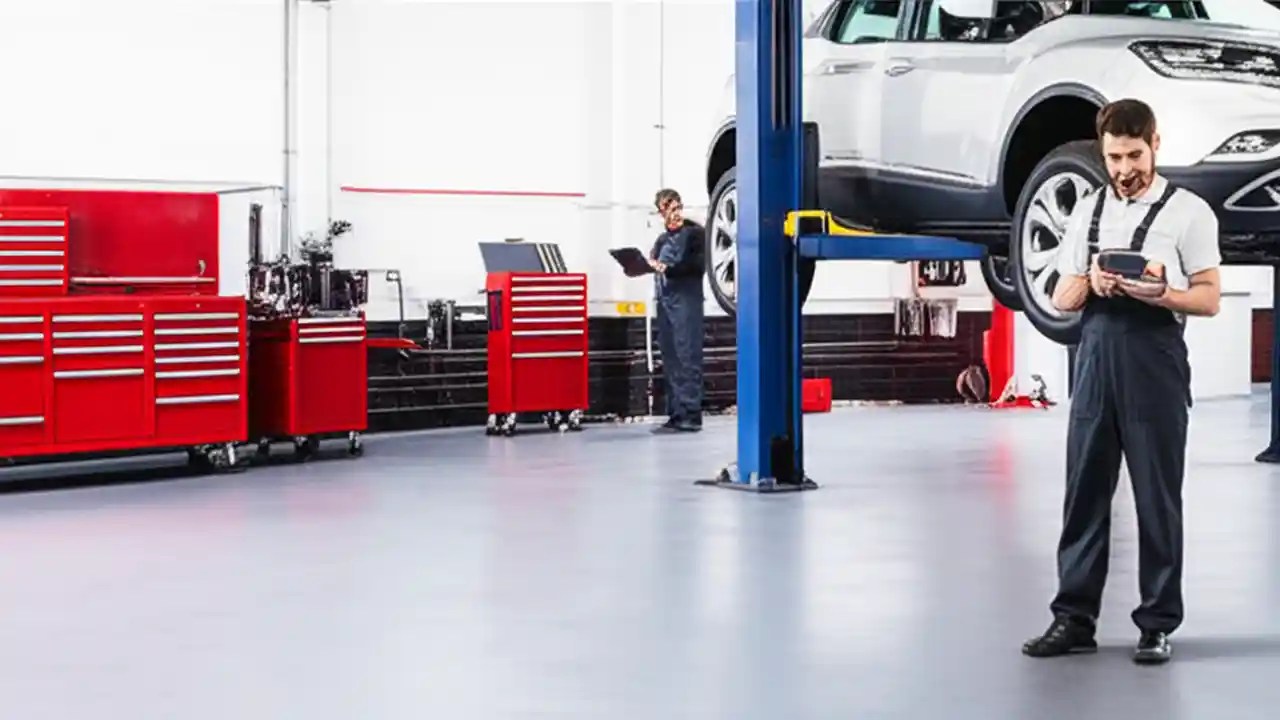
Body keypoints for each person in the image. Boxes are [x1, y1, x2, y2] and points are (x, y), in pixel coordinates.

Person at [1021, 98, 1221, 665]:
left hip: (1154, 360)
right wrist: (1090, 279)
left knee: (1158, 497)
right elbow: (1059, 296)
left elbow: (1209, 298)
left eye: (1135, 155)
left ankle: (1157, 623)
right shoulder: (1085, 209)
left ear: (1156, 144)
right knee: (1083, 492)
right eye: (1114, 157)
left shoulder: (1189, 213)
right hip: (1094, 361)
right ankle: (1072, 619)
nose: (1124, 169)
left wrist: (1163, 293)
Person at [649, 188, 706, 433]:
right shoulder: (661, 240)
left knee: (687, 357)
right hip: (665, 304)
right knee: (671, 358)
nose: (672, 212)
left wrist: (668, 269)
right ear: (660, 212)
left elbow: (696, 266)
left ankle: (691, 414)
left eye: (675, 206)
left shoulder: (696, 235)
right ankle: (676, 412)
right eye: (666, 208)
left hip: (686, 304)